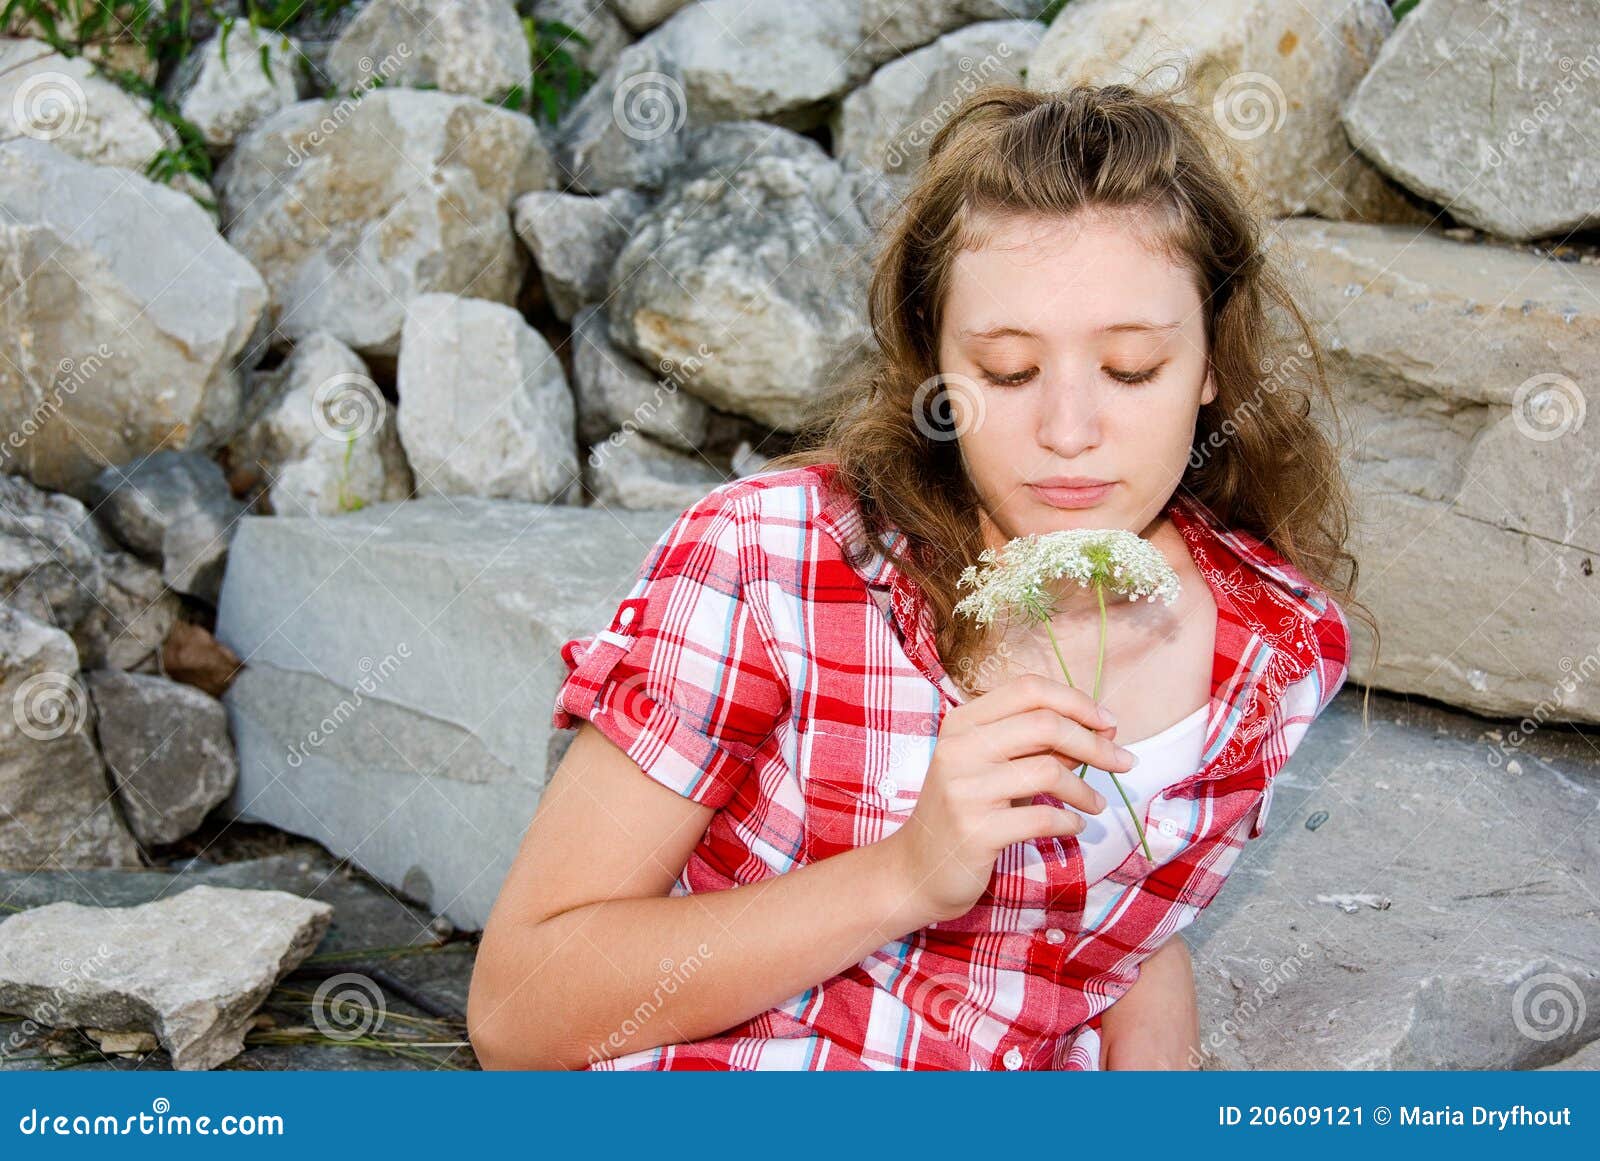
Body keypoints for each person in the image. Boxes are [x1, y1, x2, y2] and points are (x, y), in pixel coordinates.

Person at [467, 80, 1378, 1071]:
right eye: (1006, 372)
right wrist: (905, 874)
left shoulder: (1278, 646)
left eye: (1128, 369)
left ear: (1210, 364)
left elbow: (1126, 948)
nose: (1068, 435)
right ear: (935, 367)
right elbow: (518, 1015)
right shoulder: (775, 560)